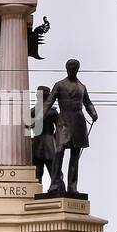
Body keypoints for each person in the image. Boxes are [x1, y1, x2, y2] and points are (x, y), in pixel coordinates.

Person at [42, 59, 98, 194]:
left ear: (77, 70)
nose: (72, 70)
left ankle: (72, 187)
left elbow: (87, 102)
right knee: (59, 152)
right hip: (64, 122)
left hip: (79, 122)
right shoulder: (59, 85)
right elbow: (49, 101)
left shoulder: (82, 87)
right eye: (70, 68)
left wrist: (93, 113)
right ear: (66, 69)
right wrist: (41, 114)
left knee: (75, 156)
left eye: (74, 68)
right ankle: (54, 183)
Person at [29, 85, 58, 188]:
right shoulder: (34, 111)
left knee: (48, 169)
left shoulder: (35, 111)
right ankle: (51, 187)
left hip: (42, 142)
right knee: (43, 169)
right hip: (44, 142)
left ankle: (53, 187)